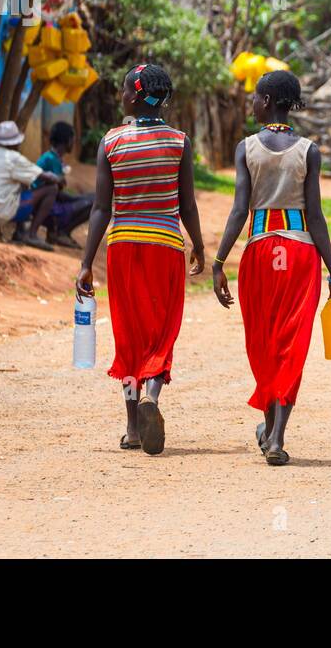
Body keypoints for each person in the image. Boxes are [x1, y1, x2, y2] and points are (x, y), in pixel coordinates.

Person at [211, 69, 331, 466]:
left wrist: (219, 263)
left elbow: (238, 211)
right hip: (301, 254)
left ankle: (271, 427)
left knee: (264, 341)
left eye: (254, 96)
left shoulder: (246, 147)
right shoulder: (309, 150)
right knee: (292, 343)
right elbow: (316, 217)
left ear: (267, 101)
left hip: (260, 251)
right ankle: (275, 434)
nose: (251, 102)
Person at [76, 65, 204, 455]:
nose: (118, 96)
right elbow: (186, 203)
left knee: (129, 334)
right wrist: (198, 244)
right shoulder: (179, 142)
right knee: (161, 329)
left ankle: (133, 427)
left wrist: (85, 262)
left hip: (123, 246)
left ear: (133, 96)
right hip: (164, 245)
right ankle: (152, 394)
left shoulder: (111, 142)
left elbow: (100, 209)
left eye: (121, 90)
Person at [0, 120, 63, 250]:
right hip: (0, 213)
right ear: (15, 142)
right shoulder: (13, 158)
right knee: (51, 189)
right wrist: (60, 178)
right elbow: (47, 177)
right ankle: (32, 234)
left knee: (21, 185)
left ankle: (20, 233)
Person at [34, 121, 94, 248]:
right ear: (66, 141)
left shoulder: (51, 157)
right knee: (93, 202)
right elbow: (56, 193)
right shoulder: (52, 160)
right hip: (48, 210)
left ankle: (56, 232)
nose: (74, 142)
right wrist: (80, 198)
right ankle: (61, 232)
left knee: (91, 199)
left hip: (44, 206)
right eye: (73, 139)